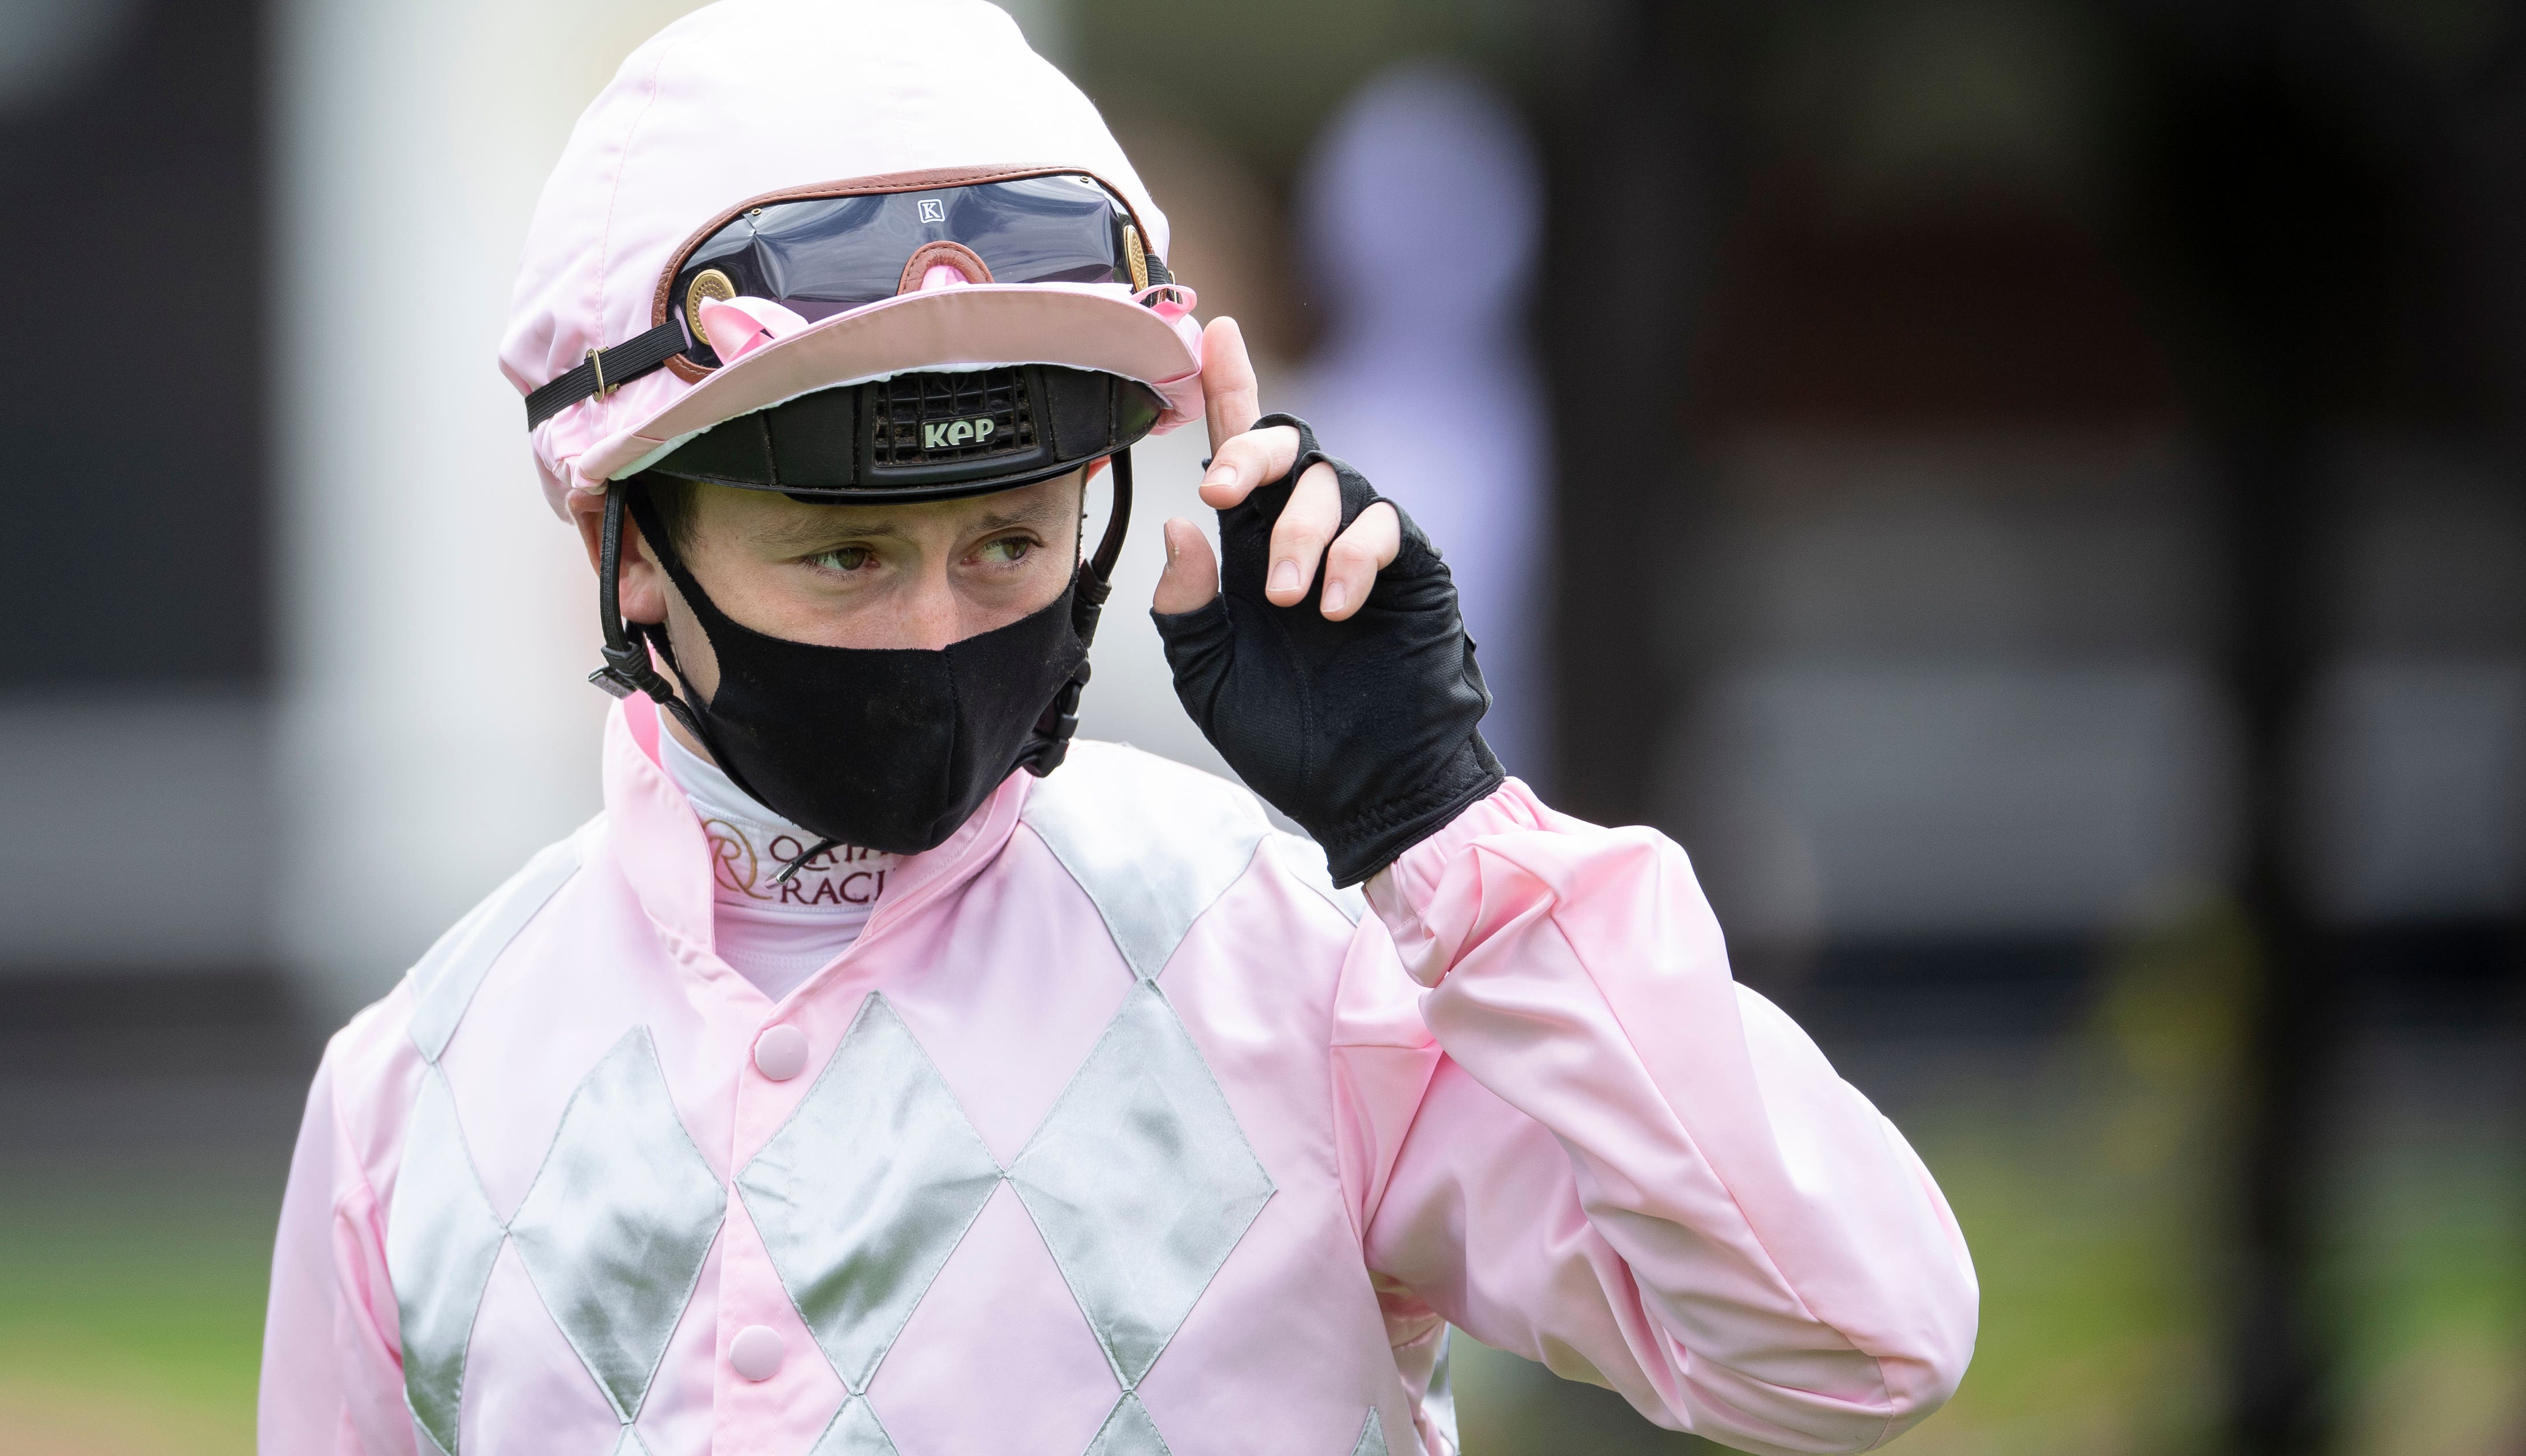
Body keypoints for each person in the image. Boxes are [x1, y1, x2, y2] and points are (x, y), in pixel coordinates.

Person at [257, 4, 1978, 1455]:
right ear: (620, 544)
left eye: (1005, 544)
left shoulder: (1299, 966)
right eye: (846, 554)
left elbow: (1855, 1333)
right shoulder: (409, 1091)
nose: (938, 628)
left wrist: (1441, 823)